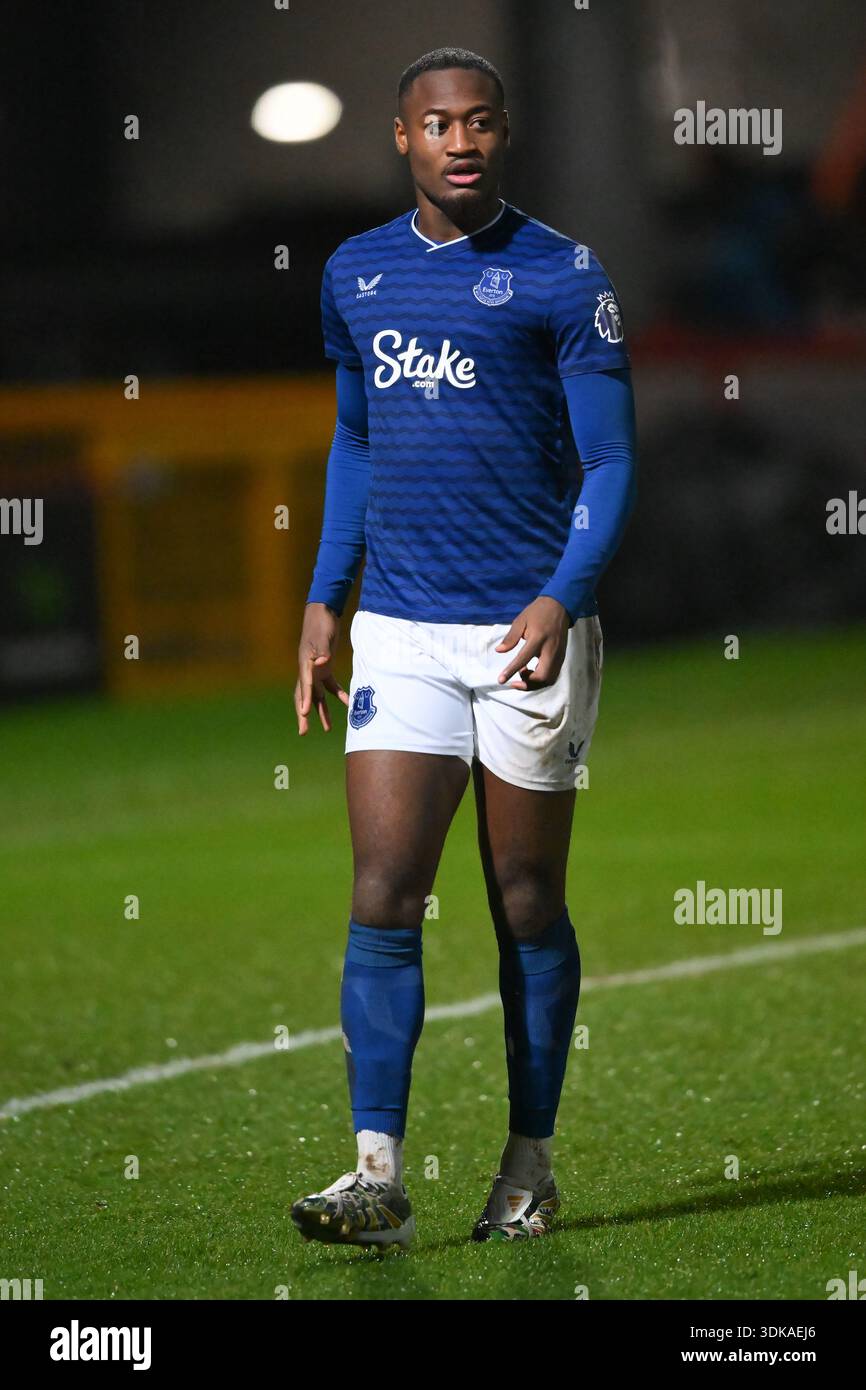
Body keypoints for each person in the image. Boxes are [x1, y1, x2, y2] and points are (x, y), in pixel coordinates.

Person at [291, 47, 637, 1248]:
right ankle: (375, 1176)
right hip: (399, 627)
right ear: (401, 138)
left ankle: (528, 1163)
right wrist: (326, 597)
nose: (460, 139)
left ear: (503, 133)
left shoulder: (562, 275)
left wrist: (559, 597)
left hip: (523, 629)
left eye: (480, 120)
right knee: (383, 891)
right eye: (437, 123)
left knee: (524, 897)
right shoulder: (354, 273)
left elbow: (608, 461)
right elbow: (355, 443)